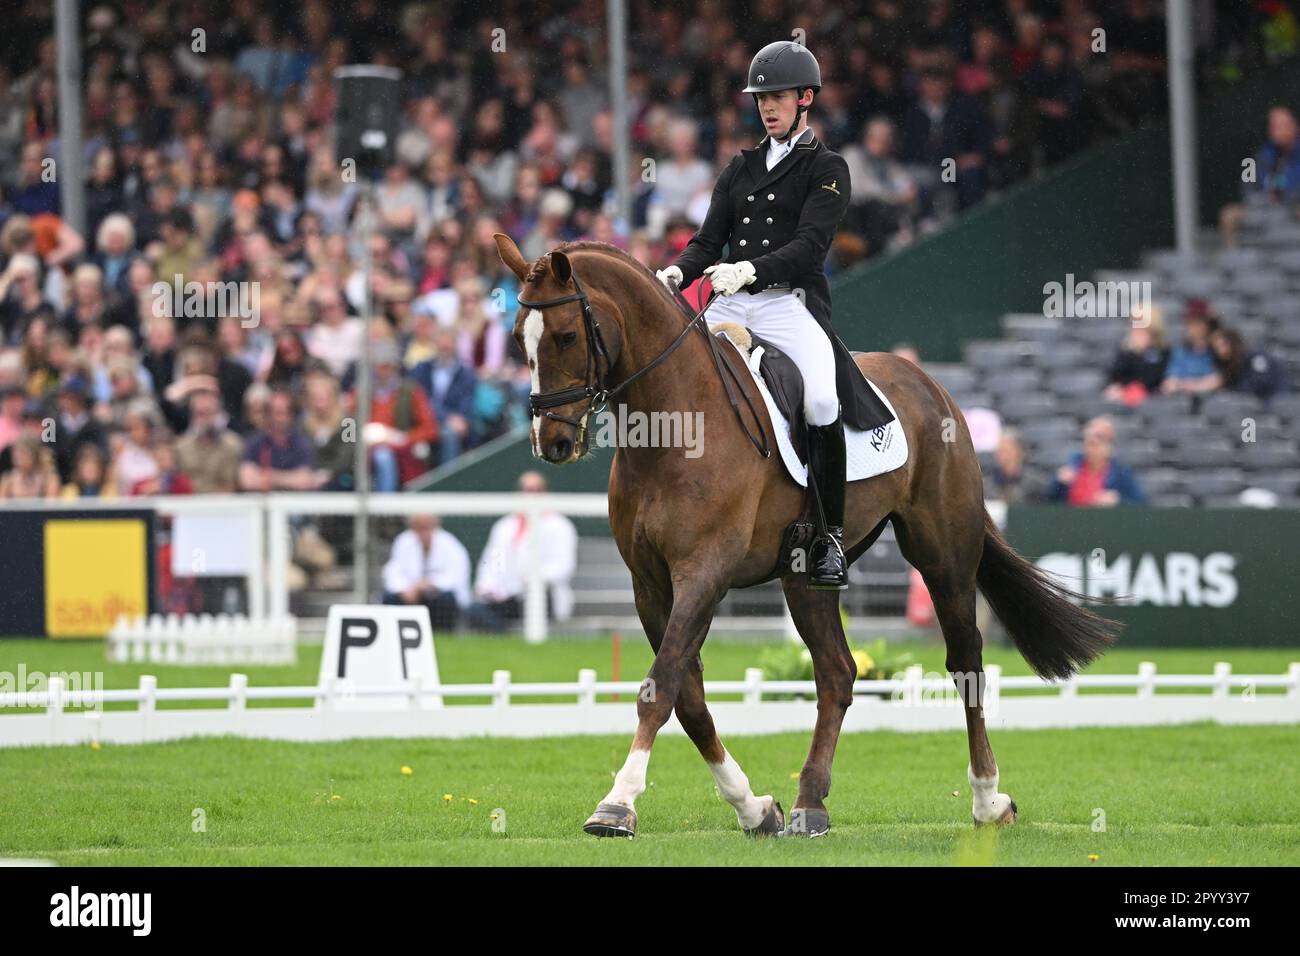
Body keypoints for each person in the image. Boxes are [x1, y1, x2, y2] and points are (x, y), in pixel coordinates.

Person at [656, 40, 894, 589]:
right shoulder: (738, 168)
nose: (767, 106)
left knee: (819, 398)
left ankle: (830, 534)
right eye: (761, 98)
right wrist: (676, 274)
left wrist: (748, 271)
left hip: (788, 304)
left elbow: (811, 248)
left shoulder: (828, 168)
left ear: (805, 99)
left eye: (778, 97)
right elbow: (707, 241)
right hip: (731, 301)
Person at [467, 470, 578, 631]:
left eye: (537, 490)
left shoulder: (560, 525)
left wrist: (532, 578)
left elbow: (563, 566)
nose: (532, 495)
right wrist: (490, 587)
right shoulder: (504, 527)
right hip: (508, 598)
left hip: (543, 596)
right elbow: (494, 563)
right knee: (475, 610)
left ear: (546, 493)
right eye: (527, 490)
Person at [381, 514, 471, 631]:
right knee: (390, 598)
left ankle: (442, 632)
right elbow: (393, 573)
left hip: (437, 597)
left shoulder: (450, 544)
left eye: (427, 527)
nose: (424, 532)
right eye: (419, 527)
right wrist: (407, 590)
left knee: (445, 600)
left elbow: (456, 578)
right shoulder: (404, 542)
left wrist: (427, 585)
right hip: (410, 595)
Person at [1045, 416, 1146, 507]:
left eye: (1098, 442)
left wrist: (1118, 502)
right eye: (1088, 442)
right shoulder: (1072, 466)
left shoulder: (1121, 473)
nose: (1091, 449)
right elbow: (1049, 503)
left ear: (1109, 446)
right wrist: (1059, 484)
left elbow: (1140, 504)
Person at [1103, 309, 1169, 405]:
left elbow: (1154, 379)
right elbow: (1115, 376)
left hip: (1154, 401)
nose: (1138, 328)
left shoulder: (1163, 352)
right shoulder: (1125, 352)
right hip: (1126, 399)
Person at [1210, 326, 1291, 401]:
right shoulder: (1229, 366)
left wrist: (1233, 392)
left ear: (1233, 343)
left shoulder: (1256, 358)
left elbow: (1259, 383)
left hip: (1273, 401)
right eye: (1217, 348)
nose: (1221, 351)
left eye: (1223, 345)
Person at [1160, 300, 1220, 395]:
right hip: (1182, 403)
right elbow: (1168, 384)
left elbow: (1217, 381)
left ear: (1206, 325)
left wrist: (1184, 385)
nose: (1191, 328)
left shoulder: (1217, 349)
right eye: (1189, 323)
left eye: (1196, 323)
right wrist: (1197, 385)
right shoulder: (1180, 352)